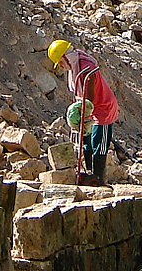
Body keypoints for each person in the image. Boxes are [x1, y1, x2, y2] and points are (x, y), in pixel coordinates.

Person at [48, 39, 119, 185]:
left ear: (66, 57)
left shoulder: (86, 68)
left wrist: (83, 113)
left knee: (99, 143)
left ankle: (98, 178)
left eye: (61, 62)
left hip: (102, 108)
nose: (61, 66)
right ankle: (88, 173)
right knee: (86, 141)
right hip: (88, 109)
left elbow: (90, 97)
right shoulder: (75, 66)